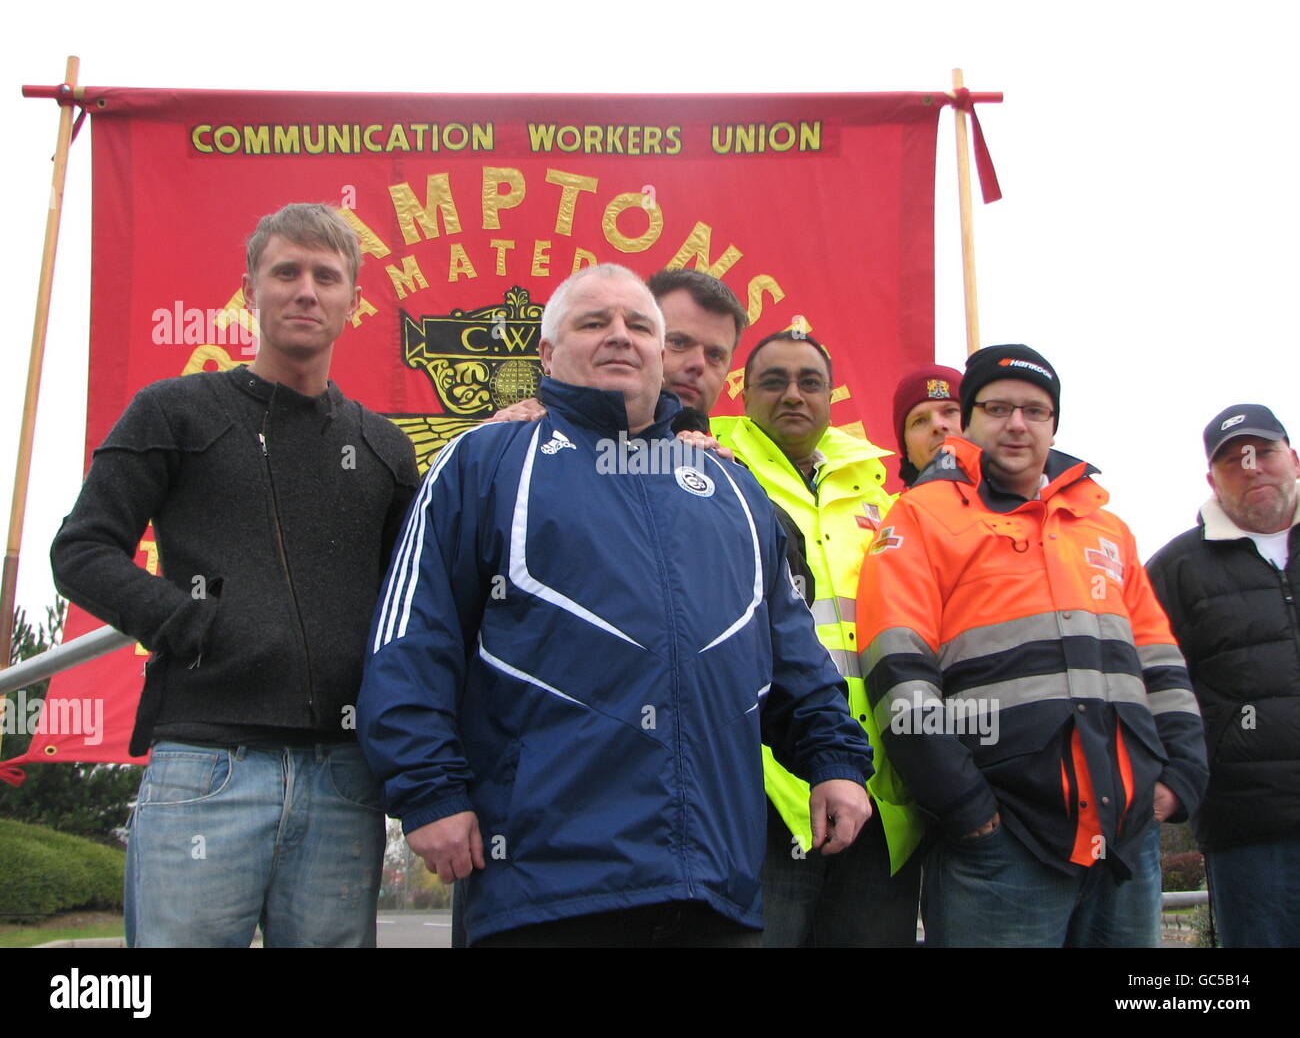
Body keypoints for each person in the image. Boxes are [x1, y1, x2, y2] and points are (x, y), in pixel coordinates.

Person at [357, 264, 873, 947]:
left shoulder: (732, 489)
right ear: (547, 353)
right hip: (543, 886)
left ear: (660, 356)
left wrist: (835, 760)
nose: (620, 336)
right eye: (593, 322)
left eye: (638, 326)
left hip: (714, 886)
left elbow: (789, 648)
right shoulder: (482, 462)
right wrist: (429, 791)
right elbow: (414, 637)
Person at [50, 203, 420, 948]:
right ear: (250, 290)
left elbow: (410, 604)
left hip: (344, 778)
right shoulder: (174, 412)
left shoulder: (384, 448)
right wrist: (188, 622)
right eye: (286, 272)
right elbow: (81, 549)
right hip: (206, 768)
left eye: (326, 276)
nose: (305, 290)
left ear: (353, 301)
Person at [857, 342, 1208, 948]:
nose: (1017, 424)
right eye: (997, 408)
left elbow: (1160, 660)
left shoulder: (1107, 527)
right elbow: (898, 672)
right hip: (1002, 844)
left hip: (1129, 837)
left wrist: (1181, 777)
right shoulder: (918, 516)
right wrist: (966, 808)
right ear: (969, 420)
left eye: (1035, 410)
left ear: (1053, 424)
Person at [710, 329, 926, 947]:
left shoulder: (881, 498)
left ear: (831, 397)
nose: (793, 394)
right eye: (773, 381)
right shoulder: (707, 469)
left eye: (810, 382)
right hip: (762, 793)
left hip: (879, 792)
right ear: (743, 393)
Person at [1147, 403, 1300, 947]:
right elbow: (1148, 688)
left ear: (1294, 460)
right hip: (1248, 830)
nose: (1252, 468)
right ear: (1212, 480)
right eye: (1234, 460)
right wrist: (1176, 781)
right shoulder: (1173, 572)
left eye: (1264, 453)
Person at [892, 364, 963, 486]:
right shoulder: (907, 500)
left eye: (950, 411)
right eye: (920, 421)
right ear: (907, 451)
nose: (937, 425)